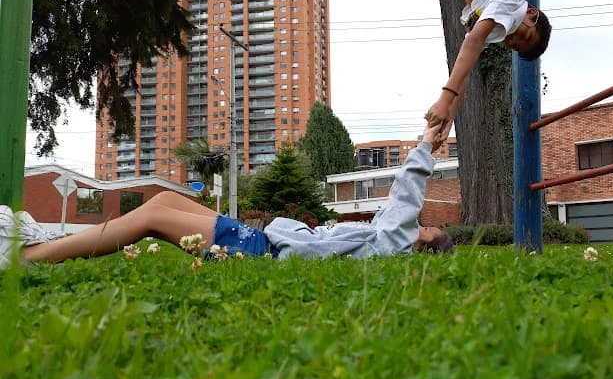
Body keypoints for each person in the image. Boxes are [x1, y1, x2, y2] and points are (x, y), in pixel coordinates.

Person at [0, 121, 454, 269]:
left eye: (423, 229)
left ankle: (30, 258)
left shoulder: (393, 244)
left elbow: (405, 196)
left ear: (420, 245)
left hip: (255, 250)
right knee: (160, 204)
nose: (417, 223)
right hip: (259, 240)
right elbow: (399, 208)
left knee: (149, 217)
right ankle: (45, 242)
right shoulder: (385, 241)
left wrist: (426, 146)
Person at [425, 0, 572, 140]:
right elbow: (474, 41)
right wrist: (444, 98)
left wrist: (447, 119)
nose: (513, 38)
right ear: (530, 13)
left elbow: (466, 65)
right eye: (525, 35)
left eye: (514, 45)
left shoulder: (489, 22)